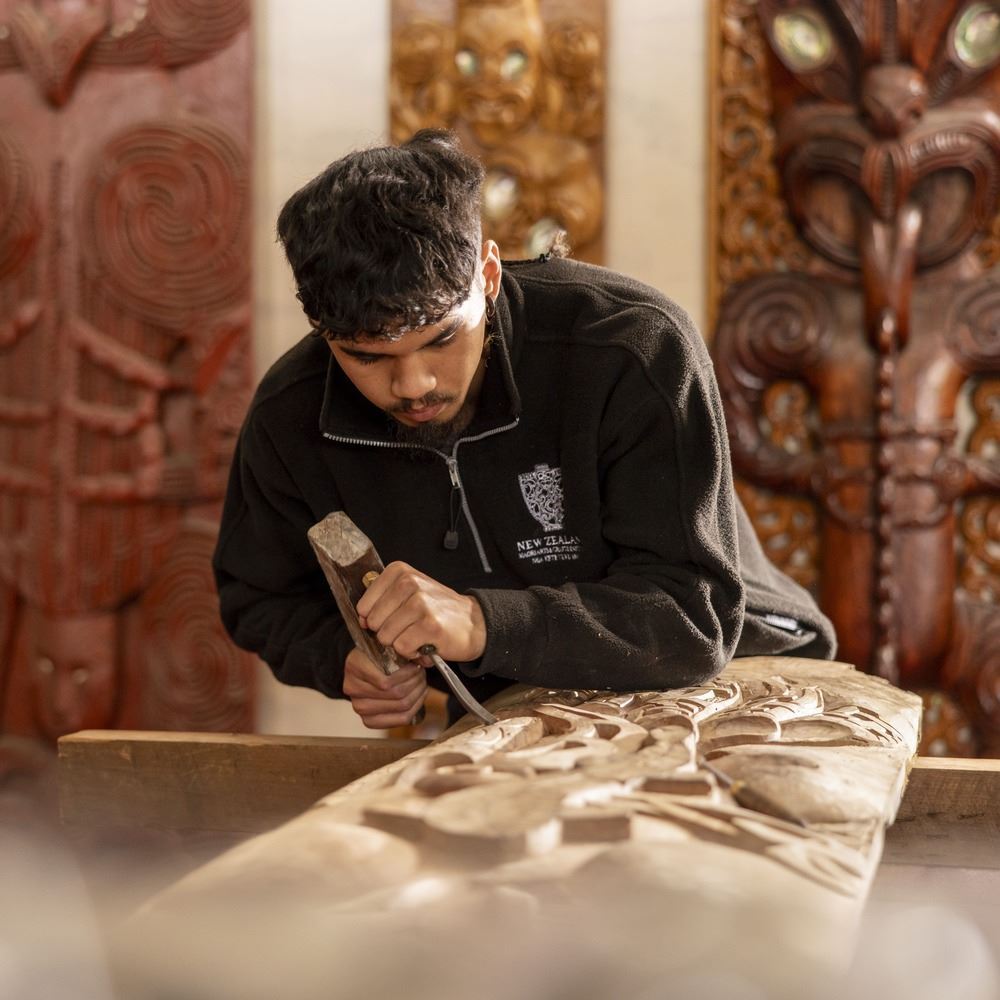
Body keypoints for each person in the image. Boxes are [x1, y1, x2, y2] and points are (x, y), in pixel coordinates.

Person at [213, 129, 835, 730]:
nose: (413, 386)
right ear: (323, 332)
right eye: (366, 357)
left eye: (441, 339)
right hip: (511, 702)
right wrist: (344, 658)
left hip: (745, 673)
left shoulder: (629, 347)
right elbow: (259, 598)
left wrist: (481, 623)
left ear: (487, 273)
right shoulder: (291, 413)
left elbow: (691, 617)